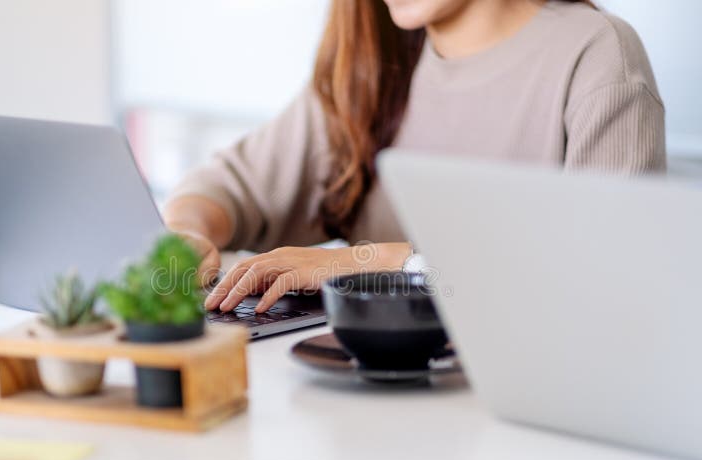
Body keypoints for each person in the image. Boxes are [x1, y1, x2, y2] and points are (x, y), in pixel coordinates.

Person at [162, 0, 666, 313]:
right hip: (370, 409)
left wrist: (371, 261)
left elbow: (607, 282)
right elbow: (225, 187)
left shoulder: (597, 57)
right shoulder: (374, 70)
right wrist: (188, 233)